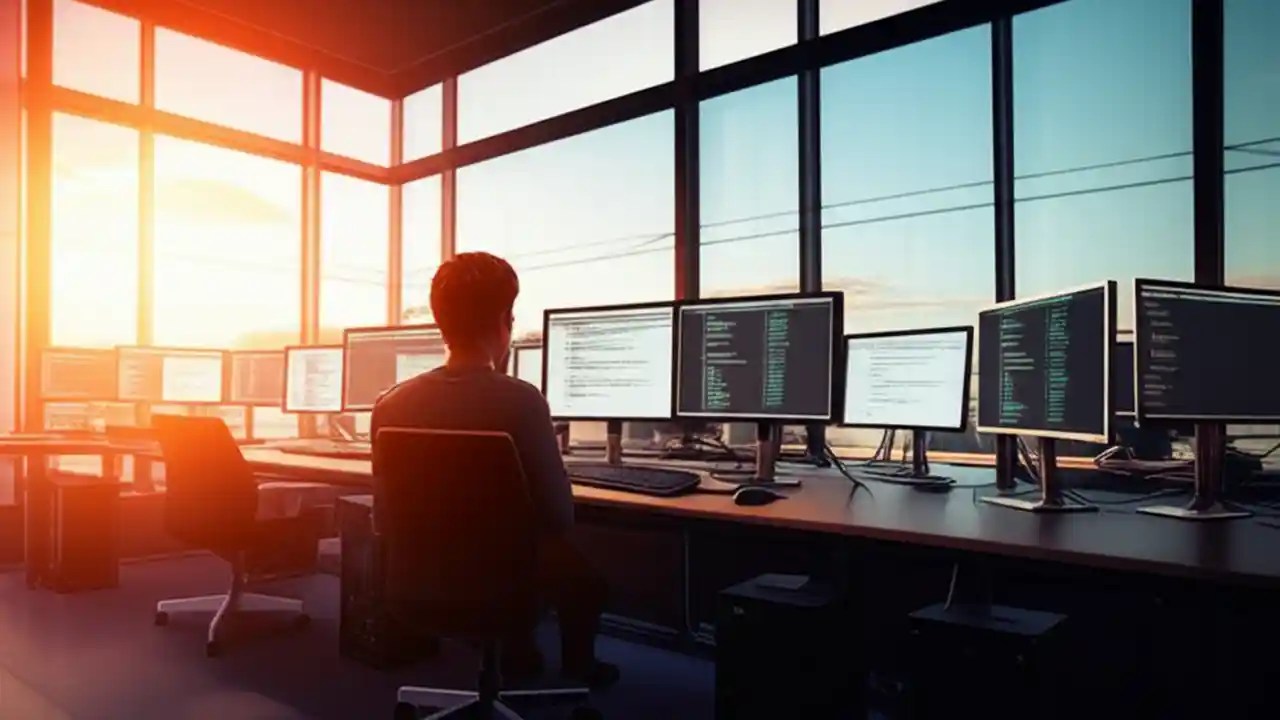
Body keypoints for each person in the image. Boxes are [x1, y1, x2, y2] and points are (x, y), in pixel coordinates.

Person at [370, 251, 619, 688]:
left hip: (415, 585)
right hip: (506, 590)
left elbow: (382, 520)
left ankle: (517, 655)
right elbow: (559, 517)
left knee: (504, 553)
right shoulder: (522, 401)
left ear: (439, 319)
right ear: (506, 319)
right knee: (583, 575)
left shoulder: (390, 404)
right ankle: (579, 671)